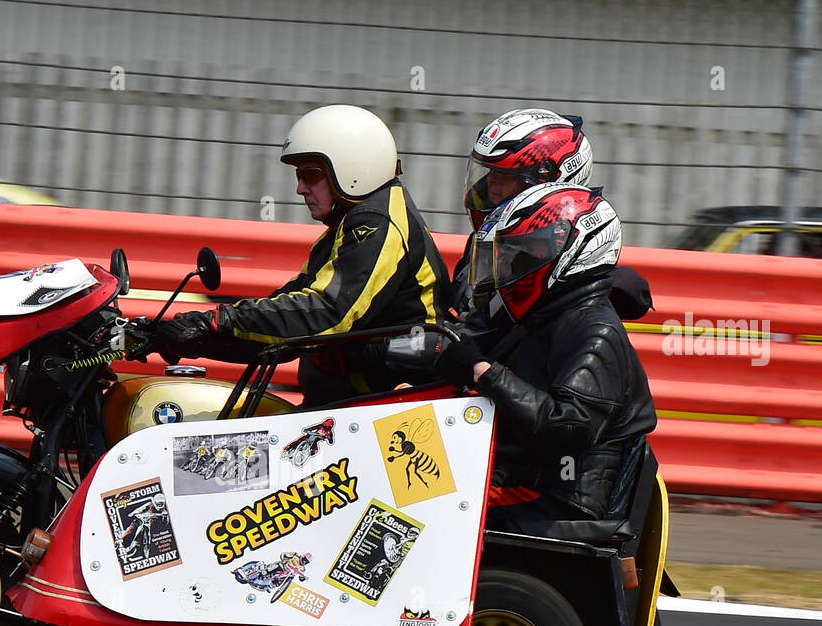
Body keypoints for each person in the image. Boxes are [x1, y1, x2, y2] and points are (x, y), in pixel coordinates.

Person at [154, 104, 452, 406]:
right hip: (353, 407)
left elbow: (326, 315)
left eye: (310, 176)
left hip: (390, 410)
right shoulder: (347, 229)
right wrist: (191, 337)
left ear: (352, 170)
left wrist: (218, 320)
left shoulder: (378, 226)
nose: (300, 189)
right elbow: (288, 322)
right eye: (299, 176)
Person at [434, 184, 657, 532]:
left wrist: (482, 371)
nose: (510, 265)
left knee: (427, 501)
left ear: (576, 250)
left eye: (528, 252)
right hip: (524, 471)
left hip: (556, 495)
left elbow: (567, 426)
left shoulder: (596, 331)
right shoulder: (551, 314)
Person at [456, 108, 652, 337]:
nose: (491, 185)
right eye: (489, 172)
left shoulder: (555, 257)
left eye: (507, 176)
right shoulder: (484, 239)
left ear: (547, 179)